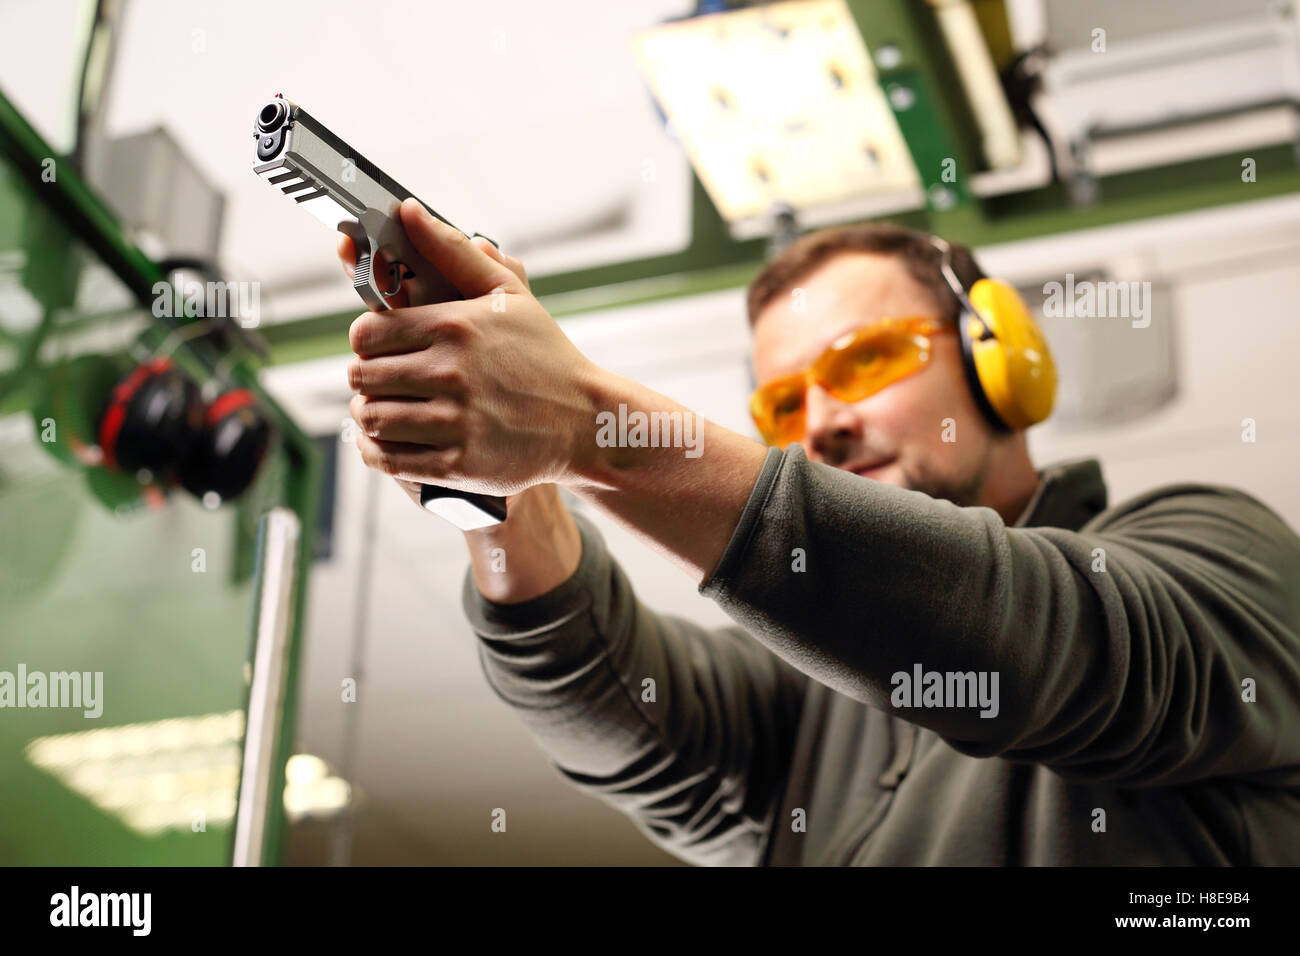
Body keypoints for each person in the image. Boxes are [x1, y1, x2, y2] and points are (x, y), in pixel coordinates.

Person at [337, 200, 1300, 865]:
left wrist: (586, 428)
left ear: (1003, 359)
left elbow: (1045, 643)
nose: (823, 423)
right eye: (787, 400)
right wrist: (499, 493)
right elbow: (610, 707)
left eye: (868, 359)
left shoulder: (1215, 544)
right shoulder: (805, 714)